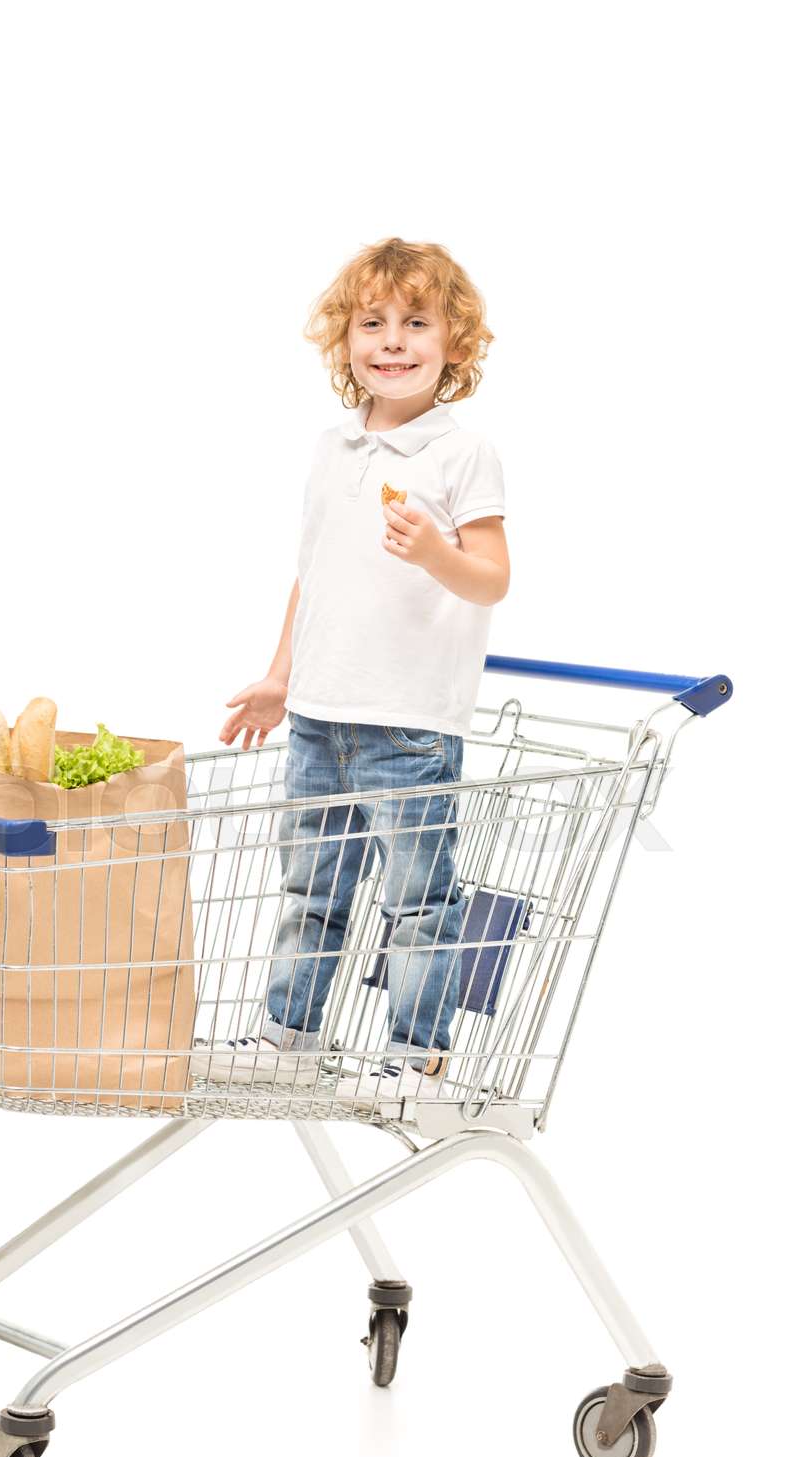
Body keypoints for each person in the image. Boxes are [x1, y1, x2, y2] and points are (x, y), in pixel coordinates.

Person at [207, 236, 510, 1107]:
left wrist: (435, 551)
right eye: (371, 322)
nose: (391, 340)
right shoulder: (331, 449)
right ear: (343, 341)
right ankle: (287, 1037)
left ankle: (414, 1062)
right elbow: (316, 575)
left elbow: (491, 577)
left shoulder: (461, 453)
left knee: (417, 902)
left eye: (416, 322)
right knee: (312, 889)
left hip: (409, 722)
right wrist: (278, 676)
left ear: (455, 343)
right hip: (316, 716)